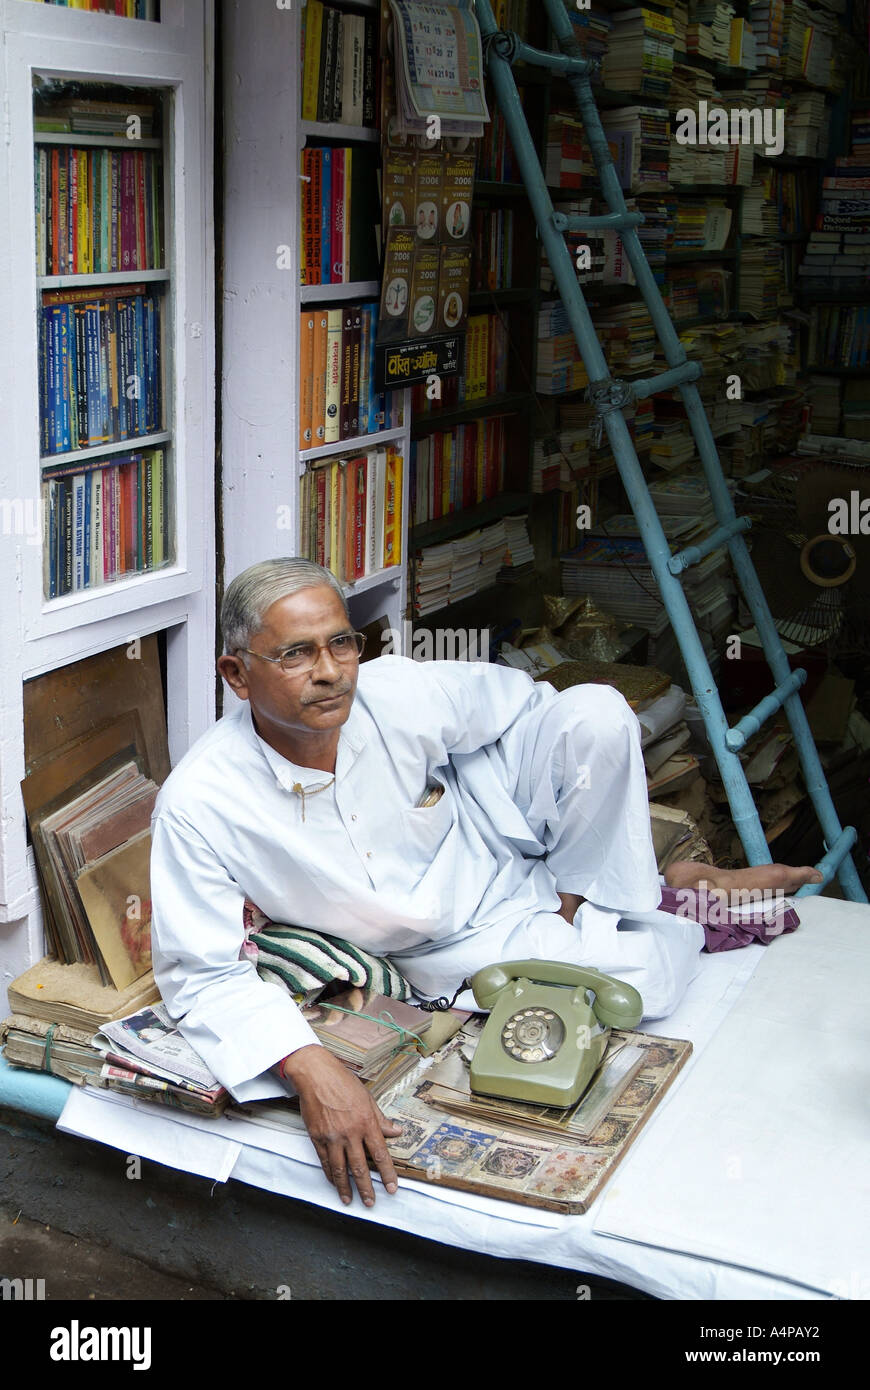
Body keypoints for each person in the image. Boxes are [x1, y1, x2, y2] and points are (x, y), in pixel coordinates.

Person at [149, 558, 821, 1208]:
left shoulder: (398, 690)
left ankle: (616, 888)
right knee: (649, 982)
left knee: (597, 712)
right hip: (445, 948)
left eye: (341, 644)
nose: (329, 674)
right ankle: (662, 891)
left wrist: (552, 841)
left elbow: (532, 712)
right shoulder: (201, 803)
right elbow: (199, 972)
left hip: (508, 868)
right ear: (237, 675)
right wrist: (309, 1064)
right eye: (295, 655)